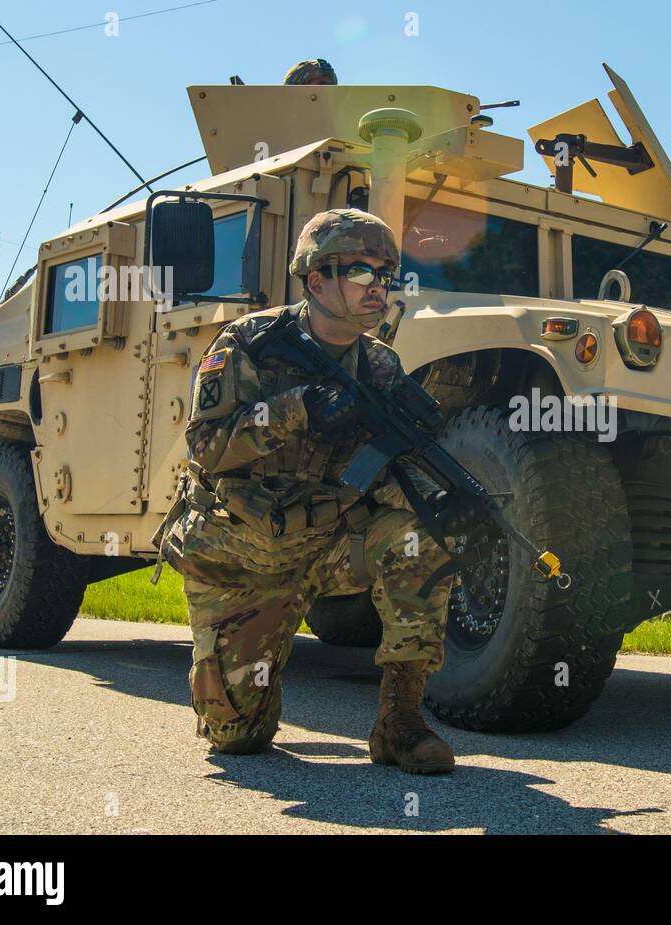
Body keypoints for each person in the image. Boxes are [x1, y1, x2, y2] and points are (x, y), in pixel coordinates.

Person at [155, 208, 458, 774]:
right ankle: (244, 678)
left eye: (387, 275)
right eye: (363, 272)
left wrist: (432, 494)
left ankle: (399, 722)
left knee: (422, 537)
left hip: (325, 546)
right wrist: (295, 410)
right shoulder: (251, 343)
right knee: (238, 738)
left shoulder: (381, 366)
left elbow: (384, 471)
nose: (379, 288)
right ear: (316, 280)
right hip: (241, 558)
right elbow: (207, 447)